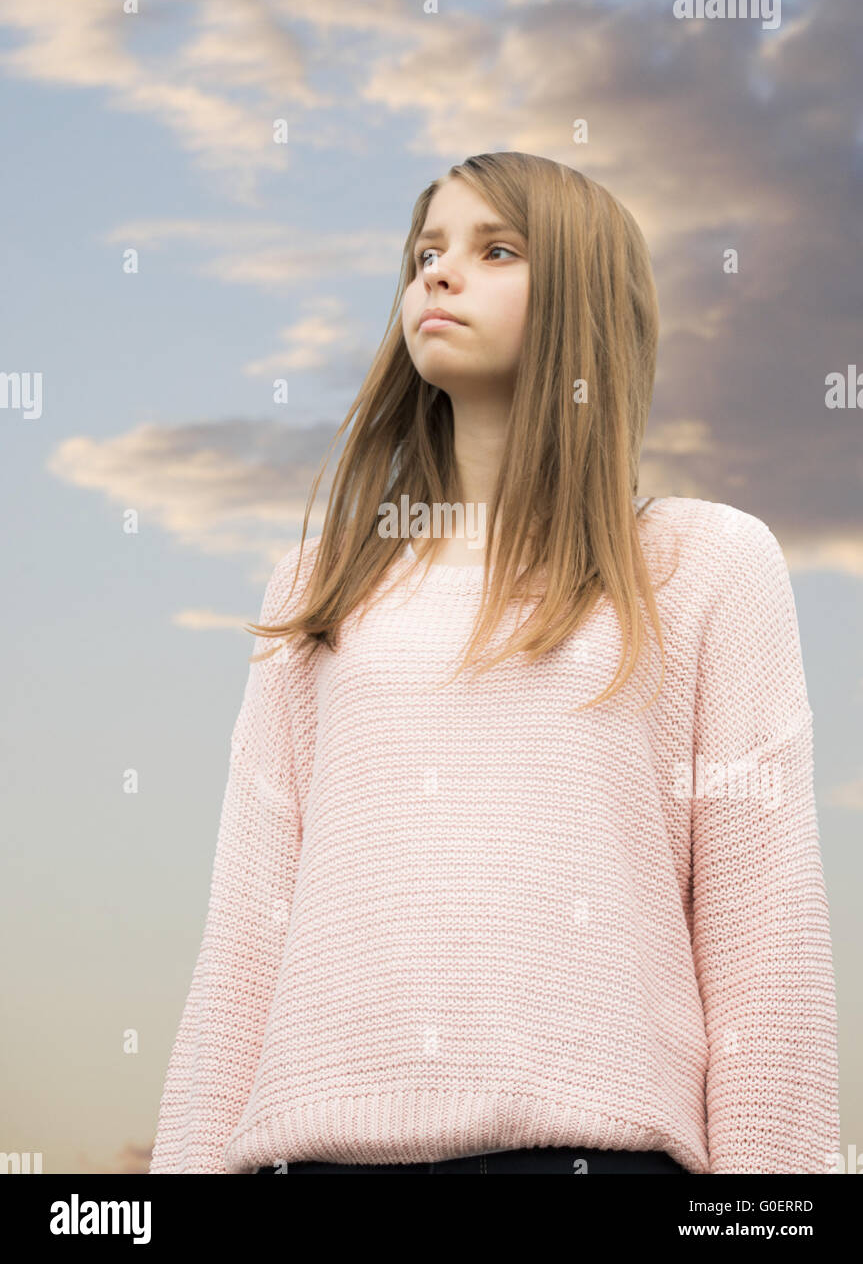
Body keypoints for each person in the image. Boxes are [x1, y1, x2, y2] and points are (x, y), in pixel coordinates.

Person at [148, 151, 840, 1176]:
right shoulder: (315, 582)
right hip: (313, 1157)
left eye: (494, 248)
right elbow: (246, 939)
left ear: (580, 298)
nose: (436, 272)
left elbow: (761, 943)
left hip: (591, 1154)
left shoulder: (704, 561)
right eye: (425, 252)